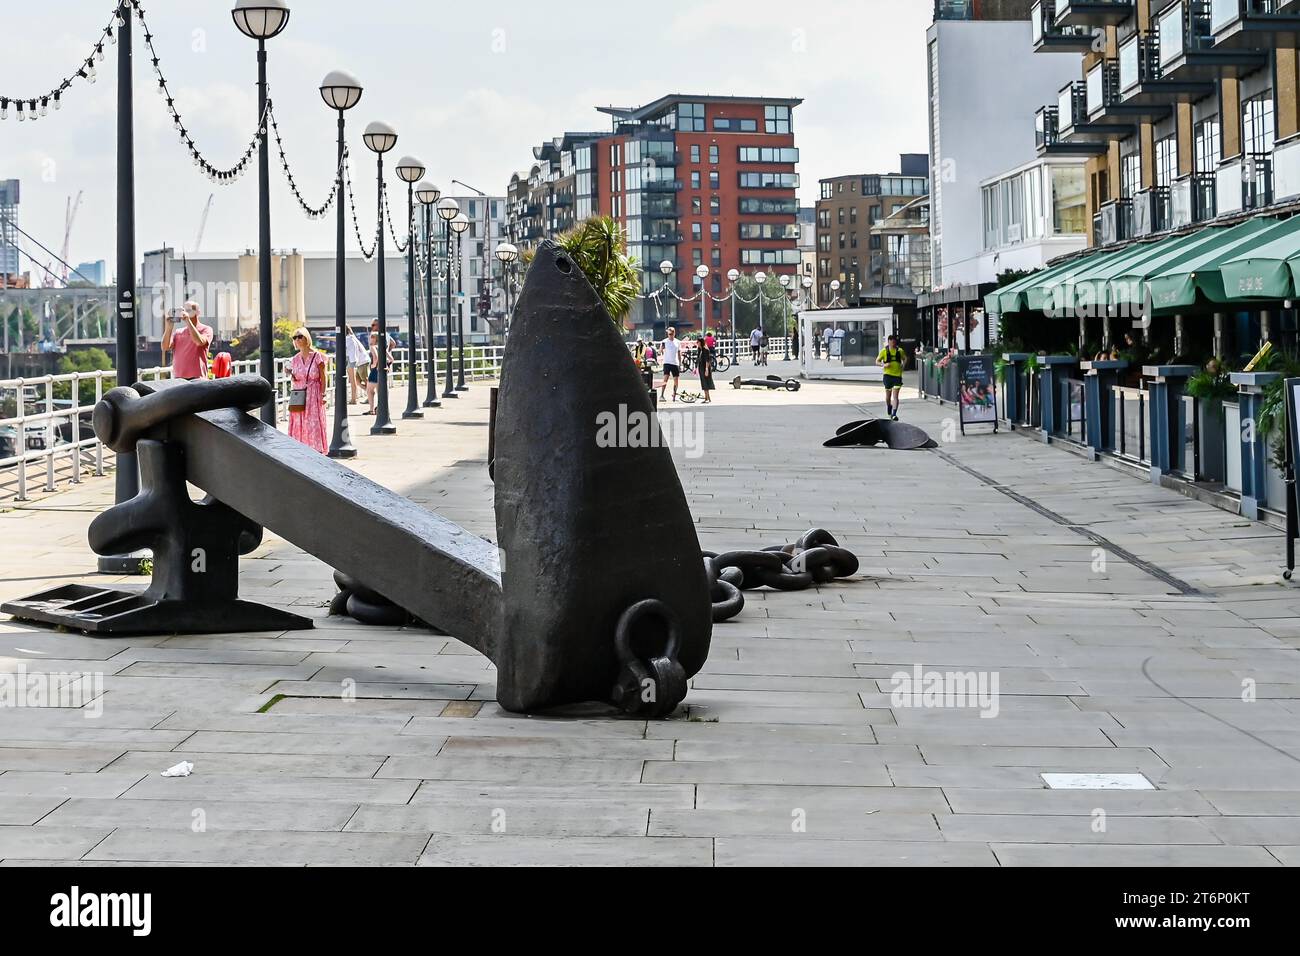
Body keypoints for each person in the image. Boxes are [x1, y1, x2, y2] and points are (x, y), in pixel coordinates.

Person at [287, 328, 328, 454]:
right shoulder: (294, 359)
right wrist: (291, 374)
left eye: (300, 337)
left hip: (314, 394)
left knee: (313, 422)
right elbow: (296, 378)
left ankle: (316, 449)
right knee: (299, 421)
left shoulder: (317, 357)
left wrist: (323, 394)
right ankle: (299, 449)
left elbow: (323, 376)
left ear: (307, 338)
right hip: (299, 394)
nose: (297, 340)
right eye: (295, 337)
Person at [163, 301, 214, 380]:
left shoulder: (206, 329)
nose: (185, 312)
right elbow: (165, 347)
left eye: (189, 310)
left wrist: (188, 321)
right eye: (184, 310)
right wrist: (168, 328)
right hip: (179, 379)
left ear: (198, 312)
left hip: (198, 378)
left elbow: (199, 342)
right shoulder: (178, 332)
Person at [877, 334, 907, 421]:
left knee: (896, 396)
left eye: (895, 342)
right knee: (888, 397)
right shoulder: (884, 351)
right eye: (892, 342)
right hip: (887, 376)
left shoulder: (900, 350)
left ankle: (894, 414)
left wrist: (903, 366)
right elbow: (877, 361)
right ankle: (889, 406)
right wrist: (884, 364)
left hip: (897, 376)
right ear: (888, 341)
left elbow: (905, 358)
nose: (893, 344)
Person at [345, 326, 369, 404]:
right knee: (357, 381)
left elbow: (338, 340)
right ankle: (370, 393)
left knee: (357, 381)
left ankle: (354, 399)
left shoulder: (348, 339)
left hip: (358, 361)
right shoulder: (352, 337)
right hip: (360, 360)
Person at [659, 326, 683, 402]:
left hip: (675, 363)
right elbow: (660, 352)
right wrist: (661, 349)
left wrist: (680, 363)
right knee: (665, 379)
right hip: (667, 362)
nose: (669, 335)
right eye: (668, 334)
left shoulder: (677, 342)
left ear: (674, 333)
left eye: (671, 334)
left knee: (676, 380)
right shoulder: (664, 341)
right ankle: (662, 395)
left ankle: (674, 395)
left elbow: (679, 353)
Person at [364, 331, 383, 415]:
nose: (370, 339)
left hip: (375, 370)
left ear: (376, 339)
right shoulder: (381, 347)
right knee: (379, 391)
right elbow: (391, 359)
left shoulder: (373, 347)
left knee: (369, 390)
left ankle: (371, 410)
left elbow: (375, 357)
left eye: (372, 337)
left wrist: (373, 365)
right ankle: (380, 408)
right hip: (381, 370)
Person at [698, 334, 716, 403]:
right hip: (701, 367)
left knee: (706, 382)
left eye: (698, 342)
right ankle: (707, 397)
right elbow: (699, 359)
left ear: (701, 342)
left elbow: (707, 360)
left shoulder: (705, 350)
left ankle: (707, 398)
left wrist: (706, 369)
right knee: (703, 382)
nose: (697, 344)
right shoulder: (700, 349)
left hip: (705, 368)